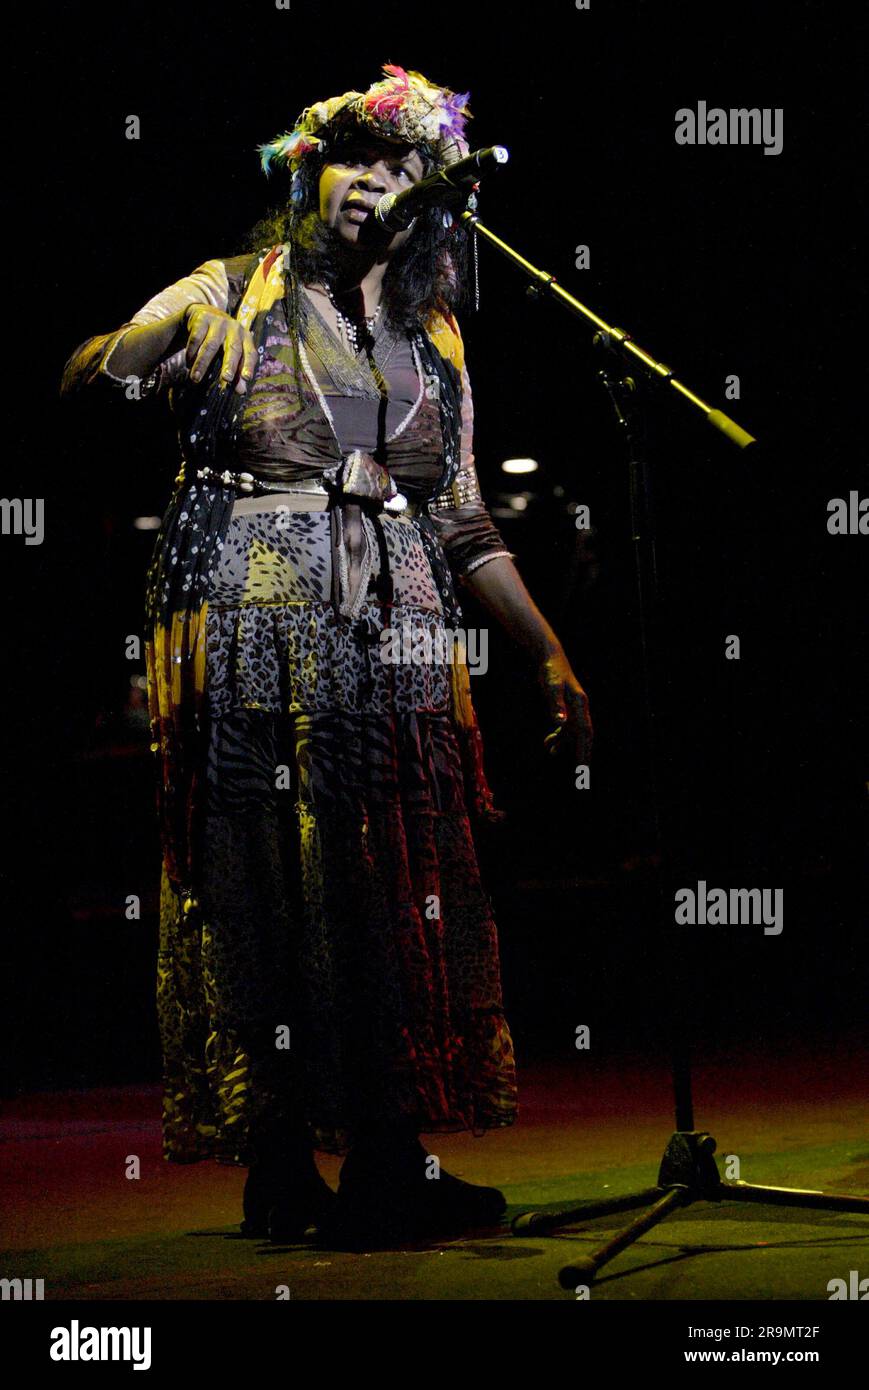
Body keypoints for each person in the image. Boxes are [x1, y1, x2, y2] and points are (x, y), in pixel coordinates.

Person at [60, 64, 593, 1247]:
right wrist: (148, 342)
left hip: (394, 631)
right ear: (309, 171)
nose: (376, 183)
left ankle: (390, 1152)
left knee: (383, 881)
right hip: (258, 624)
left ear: (430, 199)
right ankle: (284, 1162)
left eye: (401, 167)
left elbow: (458, 517)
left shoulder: (433, 333)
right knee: (271, 880)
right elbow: (94, 369)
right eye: (356, 159)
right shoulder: (232, 290)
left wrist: (547, 651)